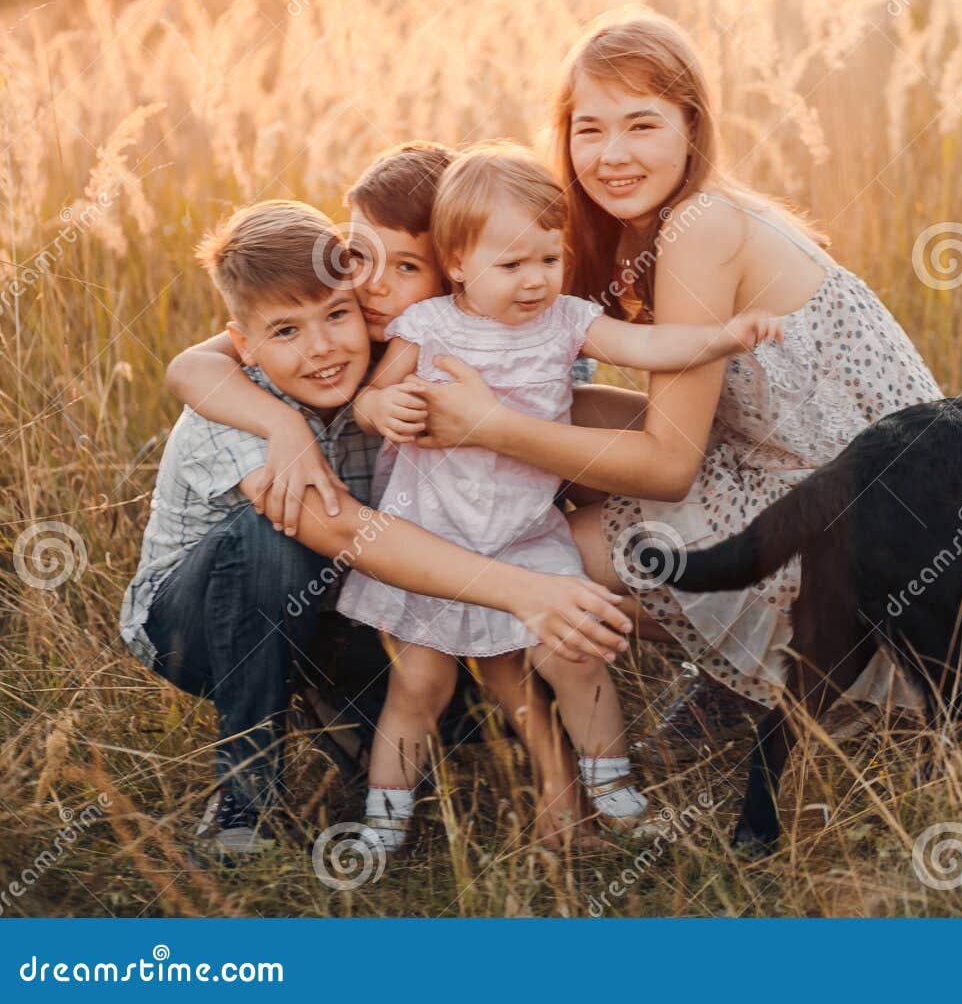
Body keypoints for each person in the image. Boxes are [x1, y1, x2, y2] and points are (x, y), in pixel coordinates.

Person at [412, 11, 943, 747]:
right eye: (589, 128)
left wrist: (489, 426)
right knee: (551, 429)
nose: (613, 154)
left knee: (557, 557)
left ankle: (775, 680)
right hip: (783, 469)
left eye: (642, 125)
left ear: (692, 126)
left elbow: (667, 465)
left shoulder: (701, 226)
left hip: (877, 534)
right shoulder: (625, 227)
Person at [120, 200, 632, 858]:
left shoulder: (396, 372)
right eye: (286, 332)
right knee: (273, 534)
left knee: (458, 636)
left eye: (337, 314)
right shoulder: (229, 414)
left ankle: (349, 713)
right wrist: (525, 591)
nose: (322, 348)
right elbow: (341, 532)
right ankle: (243, 803)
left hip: (346, 613)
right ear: (244, 345)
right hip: (194, 631)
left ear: (361, 307)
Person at [340, 142, 782, 844]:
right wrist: (378, 411)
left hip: (527, 532)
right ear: (457, 264)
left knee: (575, 654)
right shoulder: (427, 327)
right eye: (510, 265)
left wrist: (723, 337)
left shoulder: (568, 319)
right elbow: (372, 398)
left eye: (549, 258)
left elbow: (650, 349)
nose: (534, 280)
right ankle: (383, 818)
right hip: (432, 537)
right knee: (421, 685)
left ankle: (611, 782)